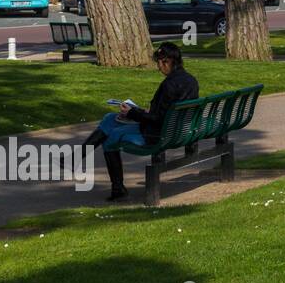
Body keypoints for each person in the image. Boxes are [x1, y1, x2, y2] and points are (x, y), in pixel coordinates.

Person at [81, 42, 199, 201]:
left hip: (157, 134)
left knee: (110, 139)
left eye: (159, 63)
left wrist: (132, 113)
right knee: (110, 118)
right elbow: (164, 113)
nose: (158, 67)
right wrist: (138, 112)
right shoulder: (191, 80)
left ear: (166, 61)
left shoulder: (169, 84)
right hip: (178, 130)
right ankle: (77, 157)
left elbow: (158, 119)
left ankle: (118, 189)